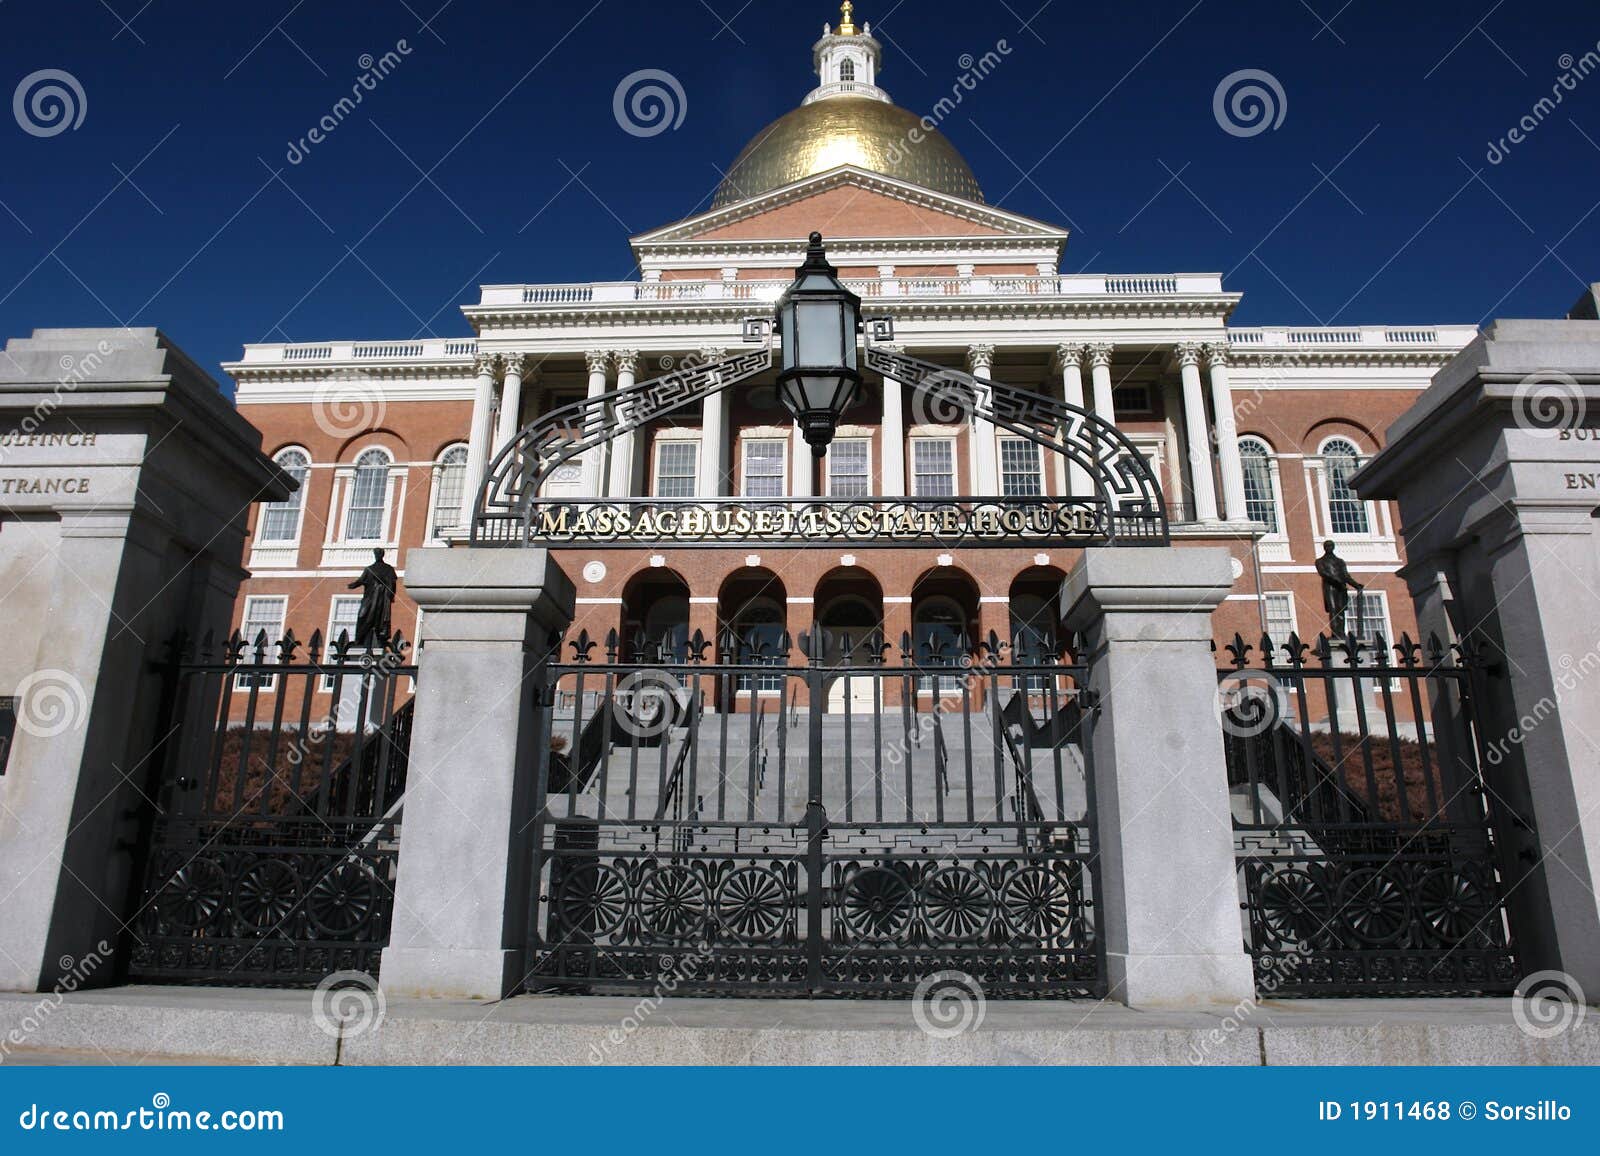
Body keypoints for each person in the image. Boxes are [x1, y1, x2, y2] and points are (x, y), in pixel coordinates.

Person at [348, 548, 399, 649]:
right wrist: (353, 585)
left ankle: (380, 637)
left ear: (382, 555)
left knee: (379, 619)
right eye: (376, 554)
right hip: (370, 598)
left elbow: (393, 584)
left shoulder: (389, 569)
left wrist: (390, 595)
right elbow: (361, 580)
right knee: (362, 615)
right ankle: (361, 638)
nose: (378, 555)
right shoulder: (369, 569)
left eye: (379, 554)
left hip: (382, 599)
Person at [1315, 540, 1364, 637]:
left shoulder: (1340, 561)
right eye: (1327, 546)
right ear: (1324, 548)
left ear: (1333, 547)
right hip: (1330, 587)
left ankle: (1341, 632)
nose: (1328, 547)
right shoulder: (1320, 561)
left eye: (1330, 546)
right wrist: (1337, 581)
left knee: (1341, 610)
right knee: (1333, 610)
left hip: (1341, 588)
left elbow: (1346, 575)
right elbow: (1323, 573)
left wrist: (1356, 585)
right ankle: (1335, 633)